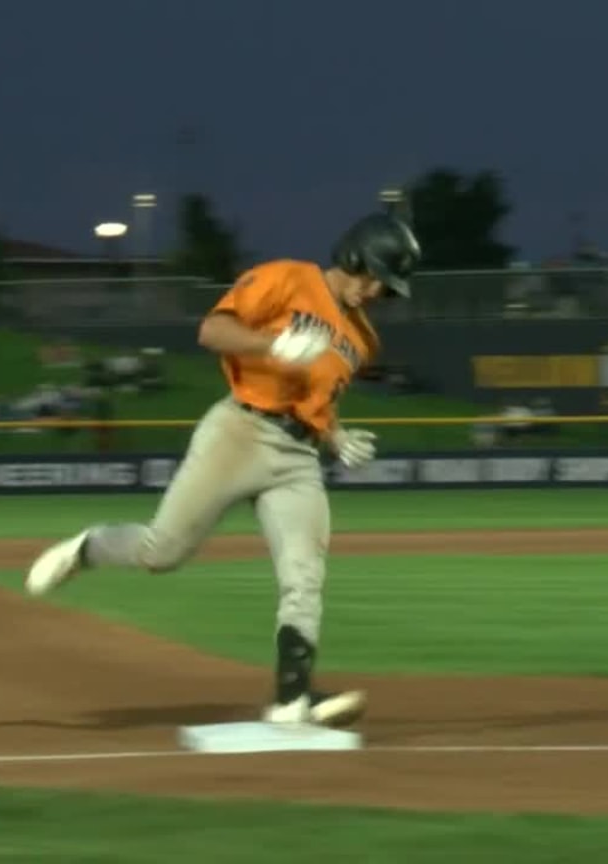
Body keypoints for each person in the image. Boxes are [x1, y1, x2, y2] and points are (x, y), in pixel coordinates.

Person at [24, 212, 421, 728]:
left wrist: (336, 437)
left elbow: (315, 402)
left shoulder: (363, 339)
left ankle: (292, 700)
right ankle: (88, 548)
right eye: (373, 276)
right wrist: (270, 345)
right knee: (161, 552)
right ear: (352, 255)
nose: (375, 291)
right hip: (240, 431)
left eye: (385, 287)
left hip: (298, 459)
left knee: (305, 577)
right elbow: (212, 330)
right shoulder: (288, 277)